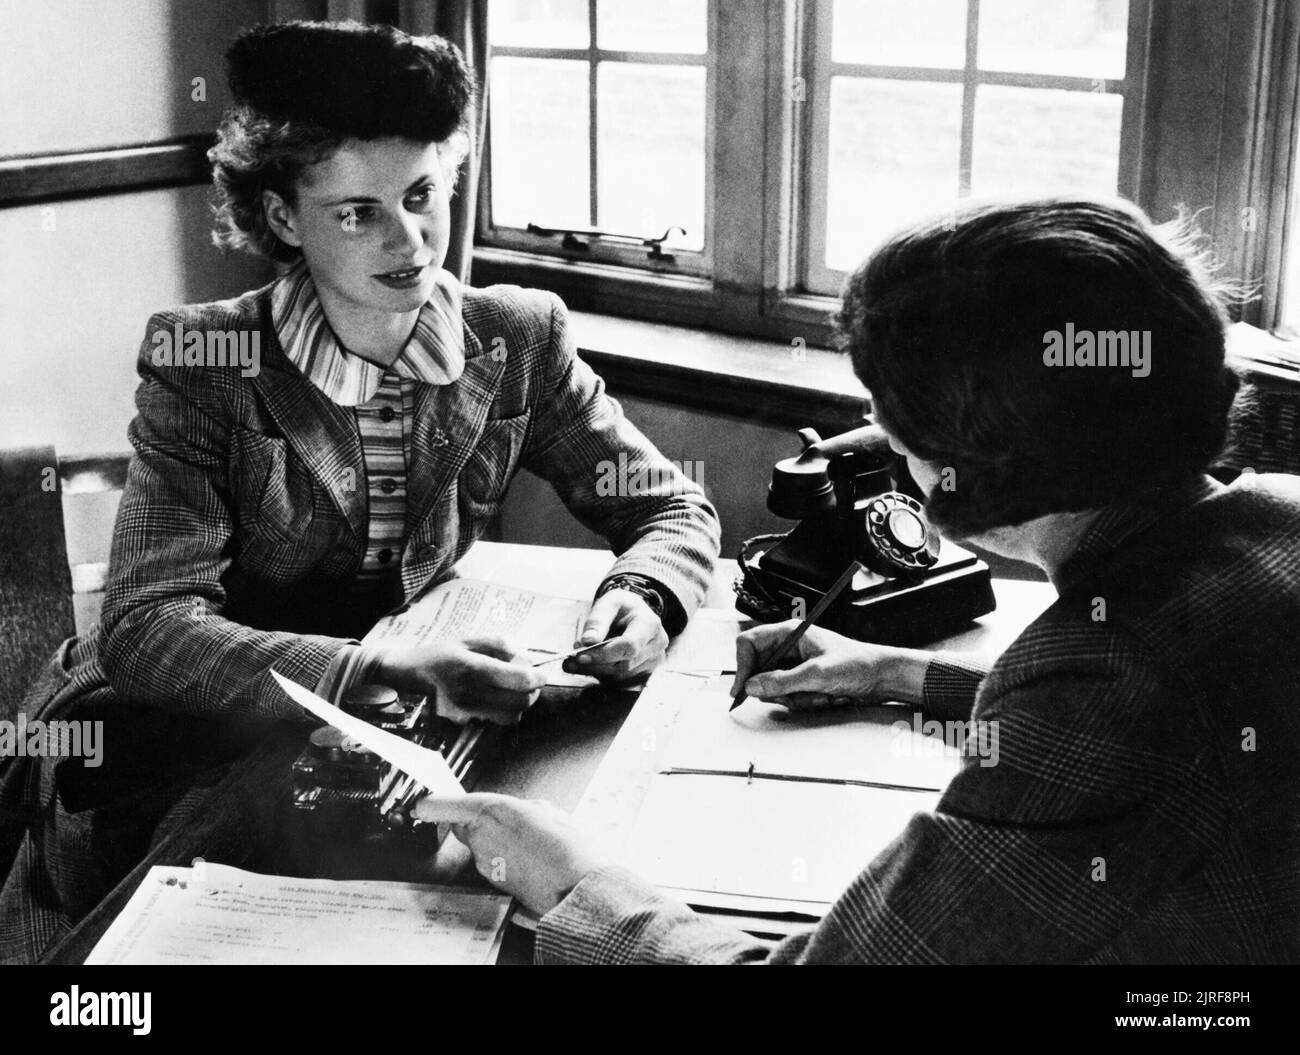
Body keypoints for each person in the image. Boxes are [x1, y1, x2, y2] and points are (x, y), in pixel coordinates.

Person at [0, 21, 719, 963]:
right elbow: (147, 627)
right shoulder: (207, 359)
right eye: (357, 211)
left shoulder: (517, 335)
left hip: (395, 739)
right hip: (179, 731)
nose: (412, 240)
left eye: (423, 195)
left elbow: (668, 506)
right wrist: (382, 668)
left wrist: (645, 595)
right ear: (283, 217)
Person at [417, 198, 1300, 964]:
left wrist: (577, 882)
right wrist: (896, 672)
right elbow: (1183, 730)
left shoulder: (1110, 680)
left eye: (889, 413)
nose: (874, 435)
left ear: (962, 473)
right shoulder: (1275, 516)